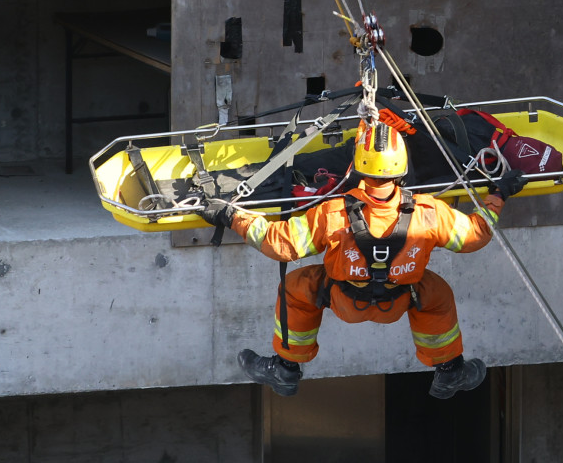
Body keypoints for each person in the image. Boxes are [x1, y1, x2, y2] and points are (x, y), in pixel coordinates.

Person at [204, 118, 515, 401]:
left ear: (356, 165)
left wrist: (231, 216)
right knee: (436, 293)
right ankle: (450, 371)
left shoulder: (334, 213)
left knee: (296, 287)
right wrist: (498, 194)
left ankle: (286, 368)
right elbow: (477, 234)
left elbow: (280, 244)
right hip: (400, 300)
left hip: (343, 299)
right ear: (402, 166)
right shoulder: (428, 212)